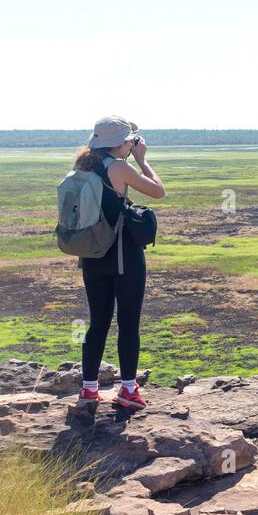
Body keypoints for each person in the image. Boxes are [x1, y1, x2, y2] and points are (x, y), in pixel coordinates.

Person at [72, 116, 165, 410]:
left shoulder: (81, 167)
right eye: (130, 141)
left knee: (98, 323)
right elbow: (157, 191)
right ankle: (127, 390)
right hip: (123, 256)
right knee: (128, 323)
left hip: (91, 256)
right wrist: (142, 159)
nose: (132, 145)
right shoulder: (120, 167)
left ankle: (89, 389)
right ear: (121, 143)